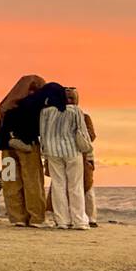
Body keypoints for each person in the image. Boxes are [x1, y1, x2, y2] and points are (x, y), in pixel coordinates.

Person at [0, 75, 57, 228]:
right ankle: (36, 218)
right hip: (28, 147)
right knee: (33, 182)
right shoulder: (32, 104)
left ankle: (17, 217)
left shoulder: (5, 105)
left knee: (10, 182)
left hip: (6, 149)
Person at [39, 86, 92, 229]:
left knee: (58, 185)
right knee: (75, 186)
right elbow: (82, 132)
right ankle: (79, 220)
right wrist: (87, 149)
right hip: (72, 151)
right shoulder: (75, 110)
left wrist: (45, 153)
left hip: (53, 152)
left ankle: (62, 220)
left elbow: (42, 135)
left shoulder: (45, 112)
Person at [81, 109, 98, 227]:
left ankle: (91, 218)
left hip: (85, 156)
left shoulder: (85, 117)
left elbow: (91, 136)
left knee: (88, 186)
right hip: (74, 154)